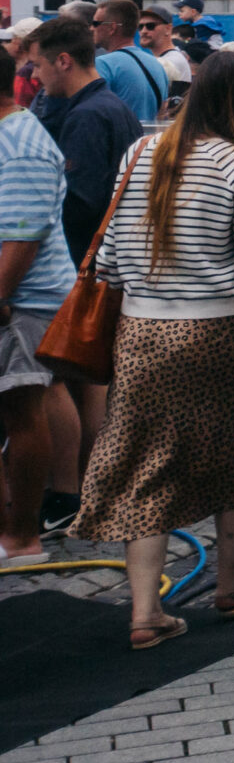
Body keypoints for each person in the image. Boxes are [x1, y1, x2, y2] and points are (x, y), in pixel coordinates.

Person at [76, 52, 234, 646]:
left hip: (140, 330)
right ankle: (232, 584)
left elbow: (109, 256)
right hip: (217, 329)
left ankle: (145, 614)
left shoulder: (141, 153)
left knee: (146, 462)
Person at [0, 95, 71, 559]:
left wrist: (0, 296)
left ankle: (22, 537)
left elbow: (24, 234)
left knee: (22, 412)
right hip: (16, 298)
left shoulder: (21, 145)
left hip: (23, 301)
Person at [29, 13, 144, 261]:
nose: (34, 76)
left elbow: (78, 205)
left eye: (38, 65)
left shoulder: (86, 117)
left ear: (63, 61)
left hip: (86, 258)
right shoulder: (111, 106)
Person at [89, 0, 169, 124]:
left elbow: (93, 115)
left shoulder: (103, 64)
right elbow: (161, 114)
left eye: (95, 23)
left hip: (119, 142)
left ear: (112, 28)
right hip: (147, 141)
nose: (91, 28)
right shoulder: (156, 65)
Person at [137, 6, 193, 91]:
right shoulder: (168, 57)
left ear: (168, 29)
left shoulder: (172, 61)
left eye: (150, 26)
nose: (143, 31)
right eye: (140, 26)